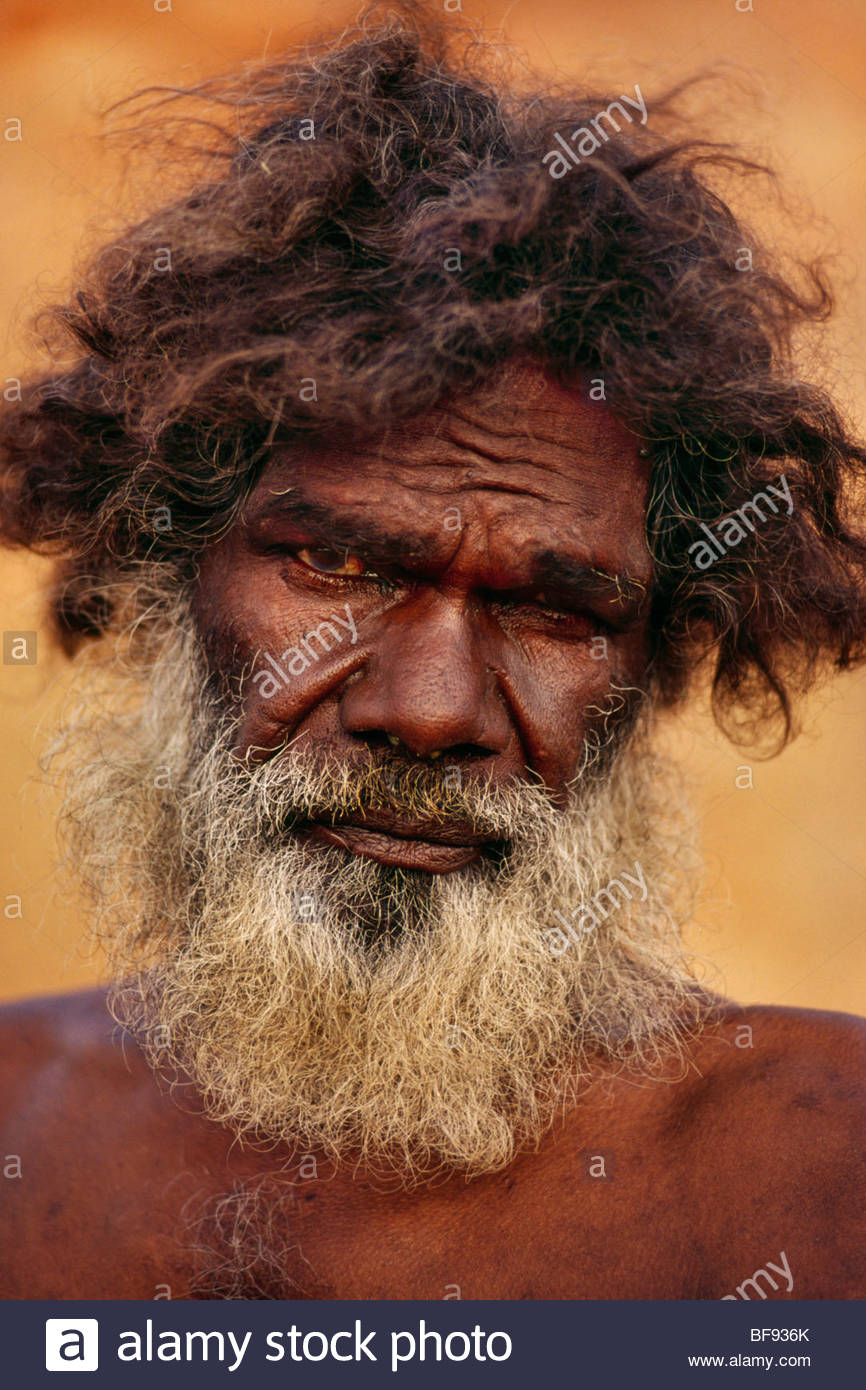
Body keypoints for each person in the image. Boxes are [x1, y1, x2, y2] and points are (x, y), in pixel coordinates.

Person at [0, 7, 864, 1300]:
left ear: (661, 659)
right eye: (339, 567)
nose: (430, 710)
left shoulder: (819, 1176)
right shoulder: (21, 1127)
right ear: (164, 568)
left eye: (556, 610)